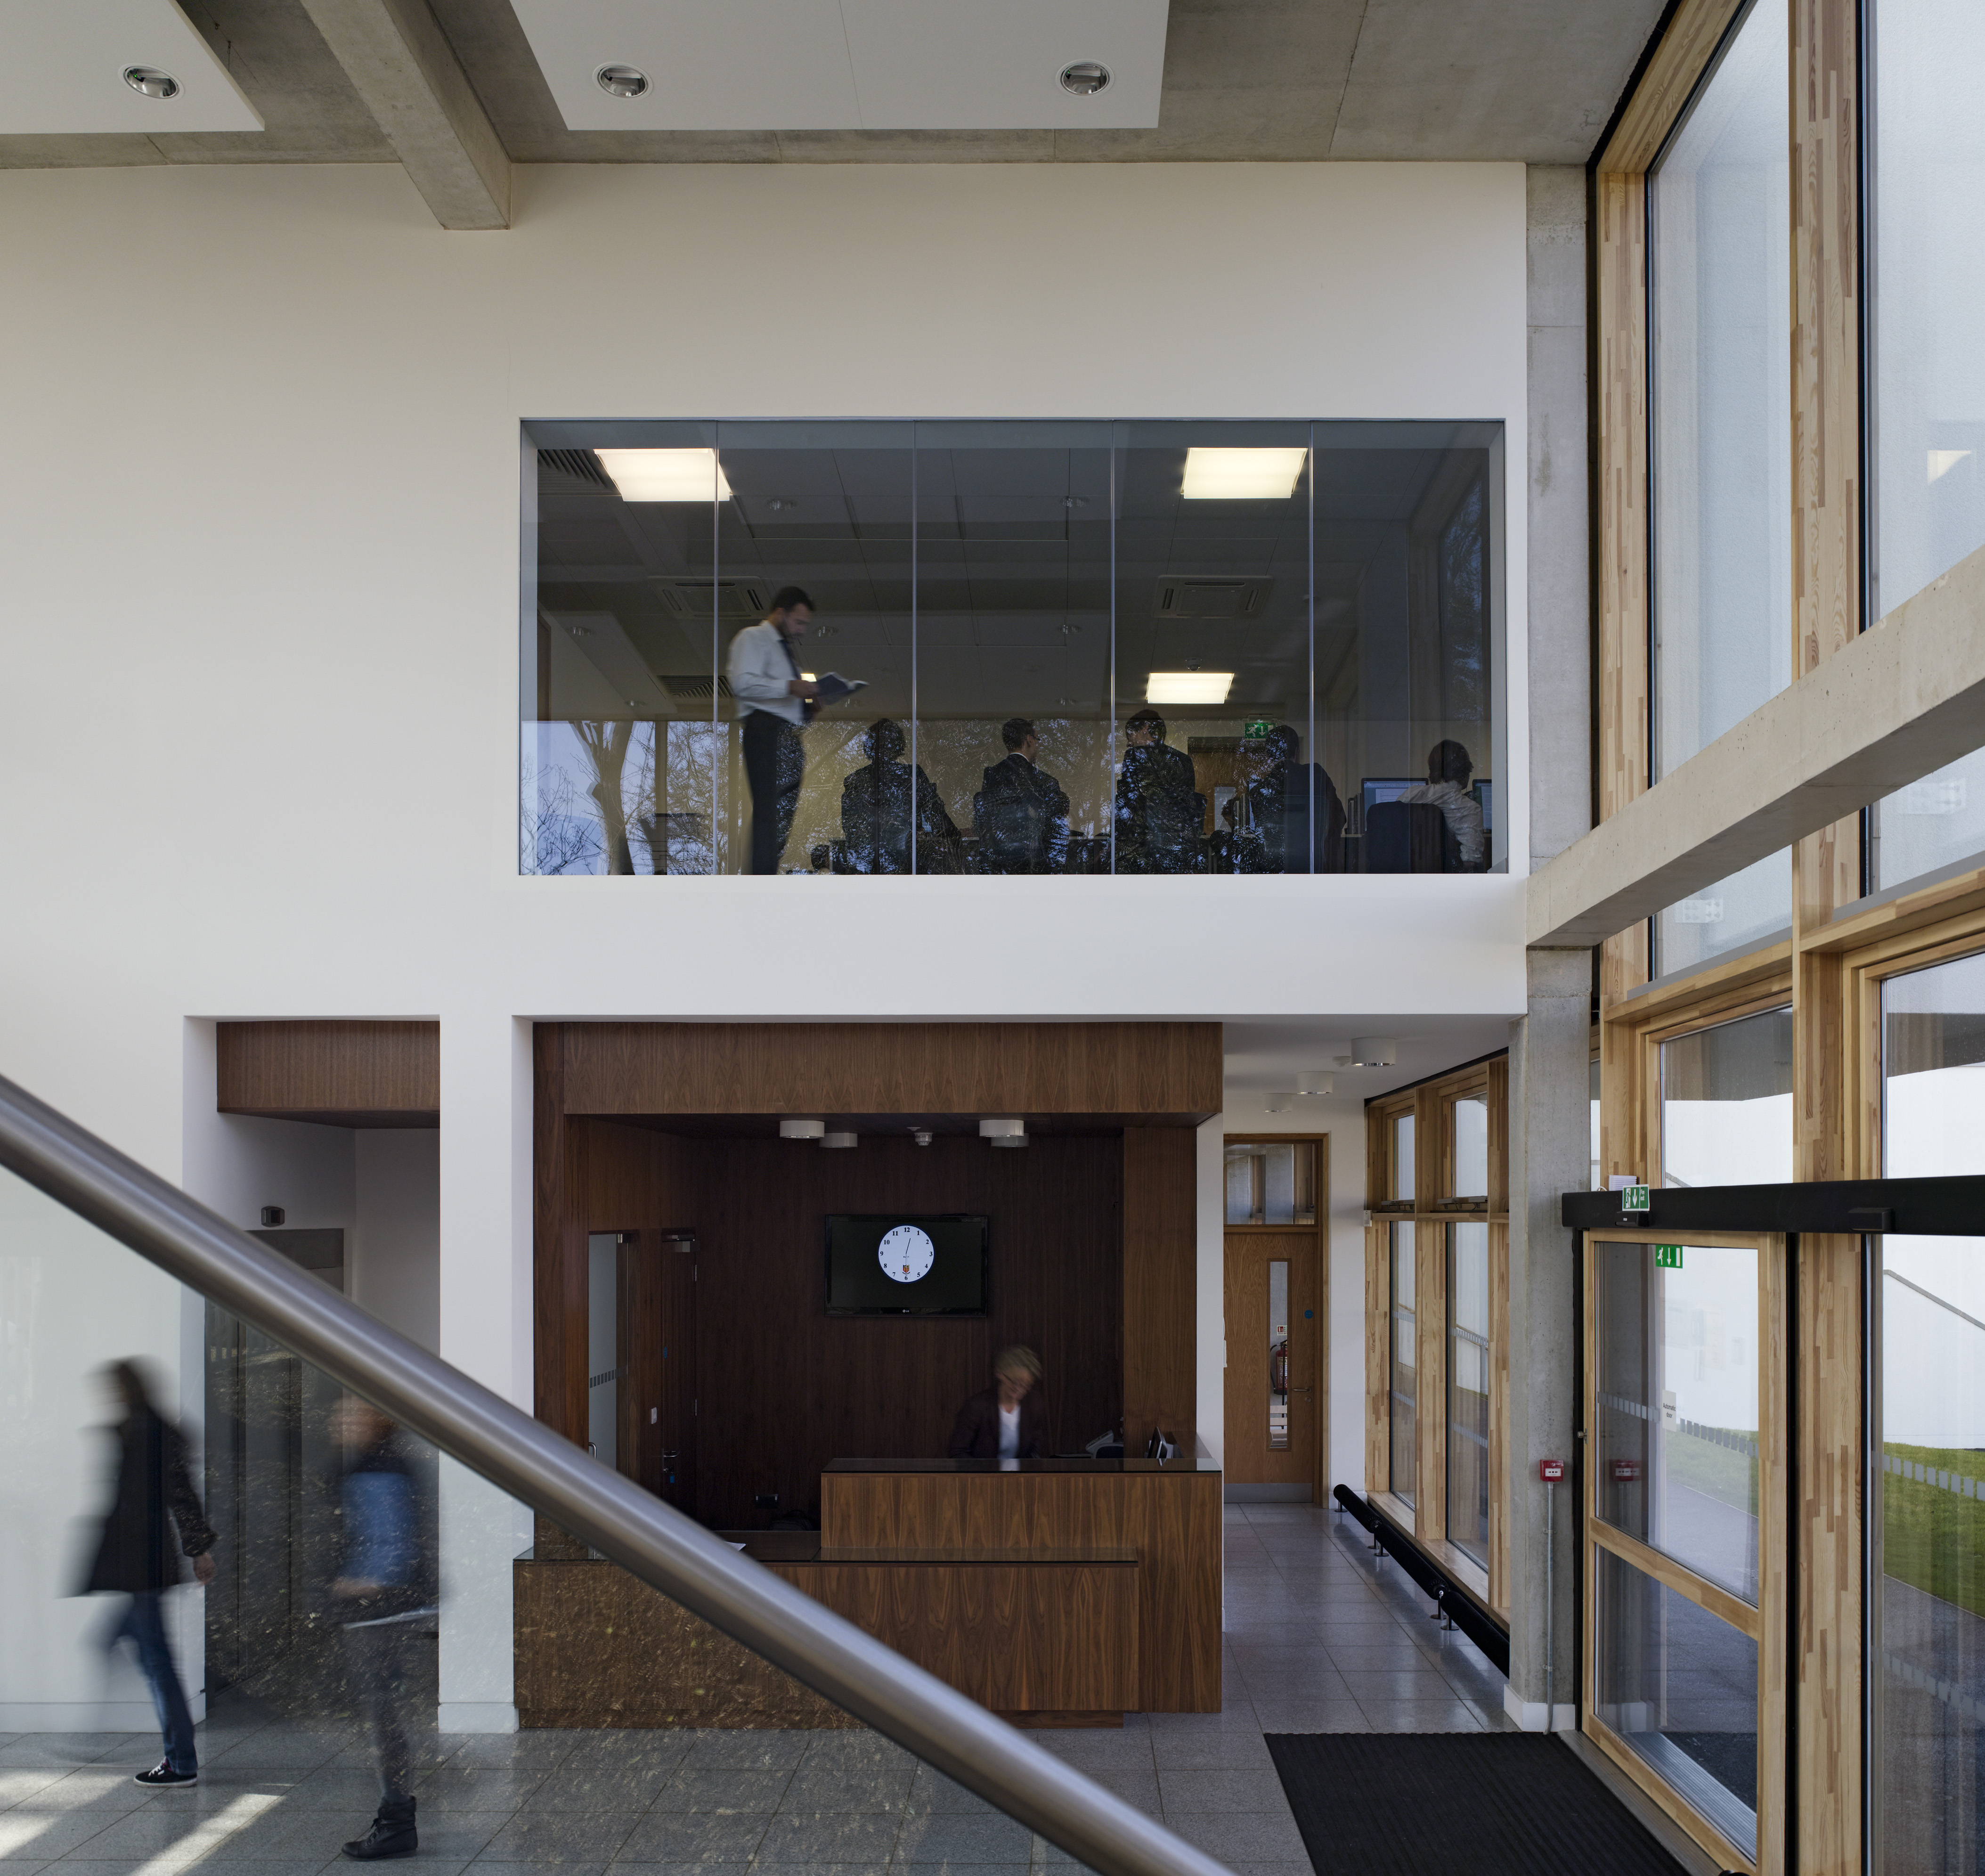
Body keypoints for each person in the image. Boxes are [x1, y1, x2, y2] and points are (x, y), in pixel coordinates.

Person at [81, 1359, 215, 1789]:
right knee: (135, 1648)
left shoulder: (136, 1434)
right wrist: (197, 1550)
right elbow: (183, 1496)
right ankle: (168, 1750)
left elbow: (138, 1505)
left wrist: (197, 1550)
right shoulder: (160, 1431)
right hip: (146, 1561)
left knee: (156, 1660)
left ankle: (181, 1762)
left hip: (135, 1564)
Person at [331, 1395, 435, 1861]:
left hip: (381, 1611)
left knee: (385, 1718)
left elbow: (389, 1544)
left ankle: (396, 1821)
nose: (341, 1420)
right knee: (385, 1714)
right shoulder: (379, 1462)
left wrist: (359, 1582)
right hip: (388, 1609)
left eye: (352, 1413)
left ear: (376, 1420)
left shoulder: (379, 1468)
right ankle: (394, 1816)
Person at [727, 587, 818, 875]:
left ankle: (766, 874)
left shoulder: (785, 654)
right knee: (769, 813)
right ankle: (758, 882)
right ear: (781, 614)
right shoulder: (753, 638)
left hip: (787, 736)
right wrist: (790, 687)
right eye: (799, 622)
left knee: (782, 815)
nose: (802, 630)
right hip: (766, 732)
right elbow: (742, 684)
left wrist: (809, 706)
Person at [838, 719, 959, 873]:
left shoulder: (856, 780)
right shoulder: (912, 775)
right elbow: (939, 820)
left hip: (871, 867)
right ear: (898, 745)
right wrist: (953, 837)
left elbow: (851, 829)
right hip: (897, 865)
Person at [1246, 725, 1348, 873]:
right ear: (1297, 752)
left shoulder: (1260, 791)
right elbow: (1339, 818)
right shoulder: (1316, 776)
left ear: (1269, 755)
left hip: (1276, 871)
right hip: (1316, 867)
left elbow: (1262, 835)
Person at [974, 718, 1069, 873]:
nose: (1038, 745)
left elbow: (985, 829)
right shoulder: (1045, 782)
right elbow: (1055, 835)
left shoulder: (992, 776)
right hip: (1035, 871)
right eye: (1037, 739)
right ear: (1030, 739)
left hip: (998, 872)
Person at [1113, 709, 1202, 873]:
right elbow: (1189, 803)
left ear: (1146, 728)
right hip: (1177, 845)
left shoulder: (1134, 756)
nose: (1129, 742)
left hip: (1145, 847)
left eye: (1130, 735)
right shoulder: (1184, 760)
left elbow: (1129, 800)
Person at [1398, 738, 1486, 870]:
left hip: (1402, 876)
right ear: (1465, 771)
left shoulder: (1411, 794)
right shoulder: (1469, 808)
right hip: (1445, 882)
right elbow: (1471, 861)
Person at [947, 1346, 1047, 1460]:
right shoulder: (977, 1406)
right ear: (1000, 1374)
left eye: (1026, 1385)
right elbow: (958, 1452)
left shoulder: (1034, 1403)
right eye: (1015, 1382)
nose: (1021, 1389)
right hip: (982, 1475)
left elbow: (1035, 1451)